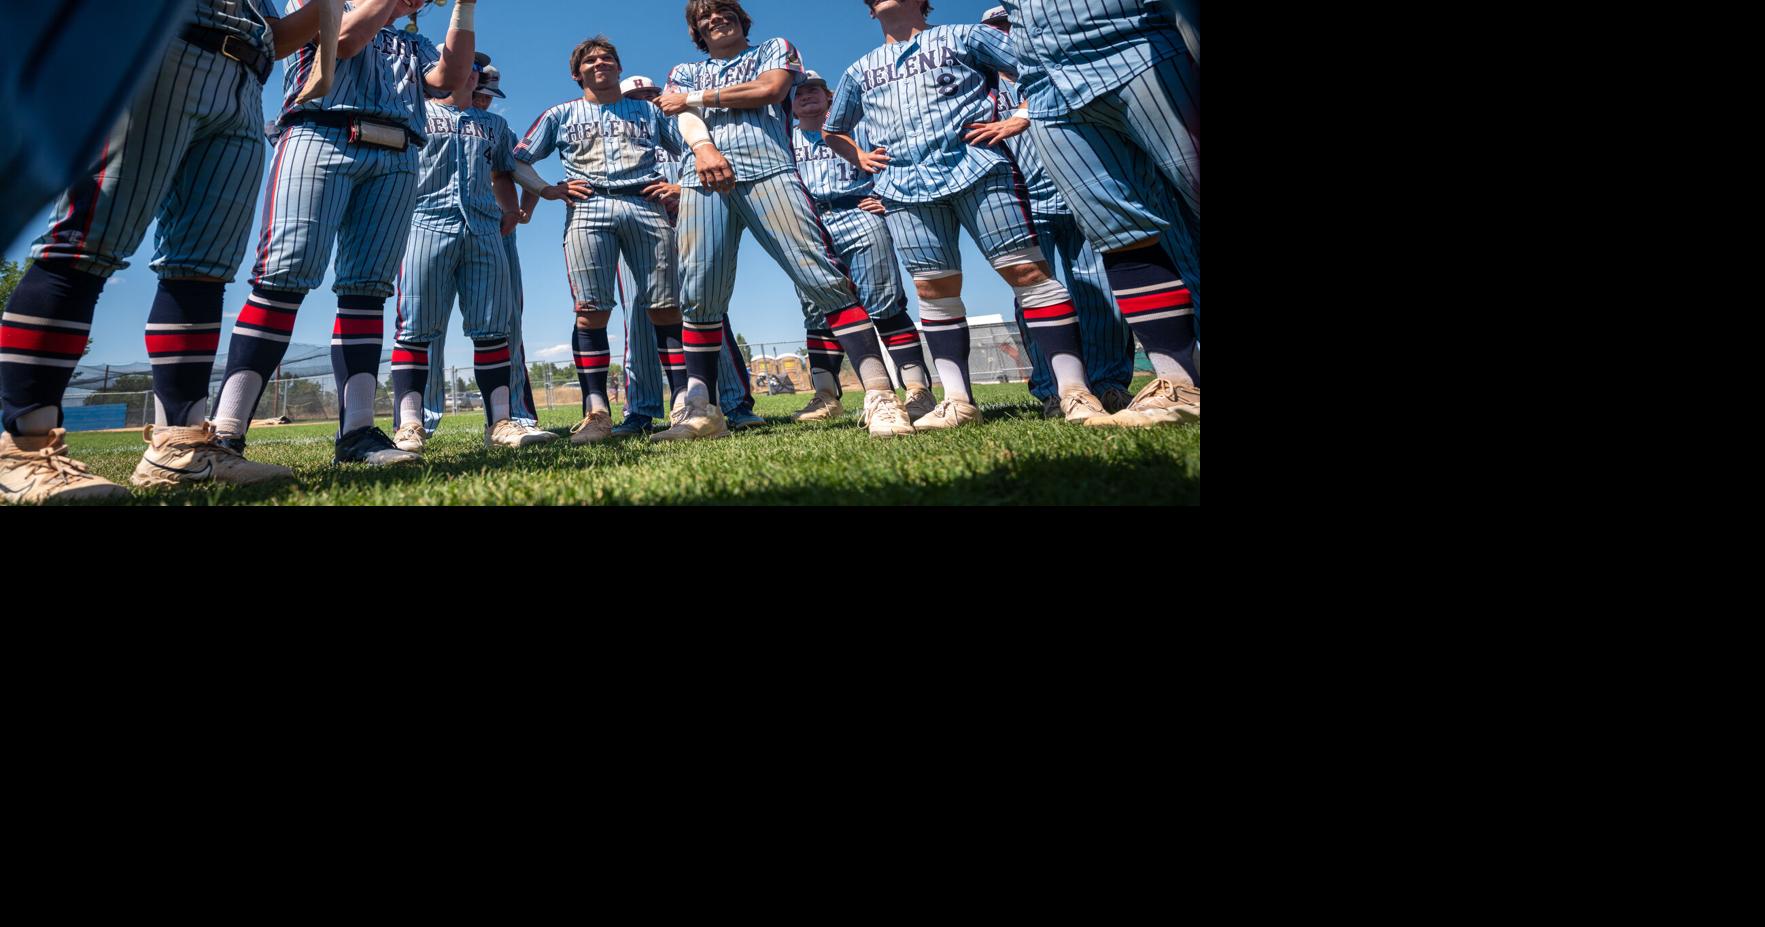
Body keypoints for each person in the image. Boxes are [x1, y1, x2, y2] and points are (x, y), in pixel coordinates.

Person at [2, 0, 331, 503]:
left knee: (201, 270)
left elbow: (277, 36)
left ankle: (178, 447)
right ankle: (21, 449)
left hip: (247, 77)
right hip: (163, 47)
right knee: (86, 244)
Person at [208, 0, 481, 466]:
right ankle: (225, 430)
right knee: (283, 277)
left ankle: (356, 434)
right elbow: (345, 41)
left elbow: (450, 80)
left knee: (366, 292)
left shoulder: (411, 41)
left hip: (397, 151)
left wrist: (464, 8)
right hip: (321, 132)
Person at [824, 0, 1109, 429]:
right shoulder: (860, 68)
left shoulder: (965, 35)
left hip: (977, 168)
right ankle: (958, 401)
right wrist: (860, 156)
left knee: (1028, 274)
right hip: (904, 188)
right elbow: (833, 129)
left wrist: (1020, 117)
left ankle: (1075, 392)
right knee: (934, 290)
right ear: (868, 12)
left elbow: (1037, 64)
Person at [651, 0, 917, 440]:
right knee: (699, 292)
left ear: (741, 20)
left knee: (820, 276)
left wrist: (694, 99)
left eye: (724, 12)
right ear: (696, 29)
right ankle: (701, 408)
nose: (716, 19)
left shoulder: (774, 48)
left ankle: (879, 396)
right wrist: (704, 149)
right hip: (701, 178)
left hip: (768, 169)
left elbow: (771, 89)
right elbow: (681, 116)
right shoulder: (685, 68)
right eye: (705, 17)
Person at [999, 0, 1200, 427]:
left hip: (1134, 45)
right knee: (1121, 233)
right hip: (1049, 84)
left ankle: (1120, 378)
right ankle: (1177, 381)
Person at [387, 57, 554, 456]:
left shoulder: (493, 126)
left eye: (476, 70)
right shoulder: (414, 111)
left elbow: (513, 167)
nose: (471, 73)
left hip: (484, 227)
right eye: (464, 65)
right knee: (417, 326)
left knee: (493, 326)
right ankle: (410, 423)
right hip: (425, 222)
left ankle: (501, 422)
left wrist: (542, 194)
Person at [979, 6, 1136, 418]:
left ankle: (1108, 383)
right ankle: (1053, 389)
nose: (1003, 36)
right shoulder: (981, 91)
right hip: (1021, 201)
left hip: (1079, 190)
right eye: (994, 31)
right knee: (1032, 295)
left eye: (1008, 27)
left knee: (1098, 286)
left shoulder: (1054, 69)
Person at [608, 74, 763, 437]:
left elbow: (719, 159)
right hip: (641, 232)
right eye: (636, 95)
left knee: (706, 311)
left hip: (690, 223)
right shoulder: (621, 134)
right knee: (639, 319)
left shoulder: (681, 126)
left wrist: (679, 187)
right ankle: (641, 410)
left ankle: (734, 402)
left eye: (650, 93)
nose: (645, 99)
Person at [787, 70, 934, 425]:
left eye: (813, 90)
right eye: (798, 92)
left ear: (830, 97)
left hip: (857, 210)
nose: (806, 96)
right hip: (809, 222)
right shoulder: (783, 138)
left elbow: (896, 157)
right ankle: (825, 394)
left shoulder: (858, 128)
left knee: (883, 301)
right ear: (789, 105)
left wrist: (886, 194)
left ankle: (917, 388)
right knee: (817, 308)